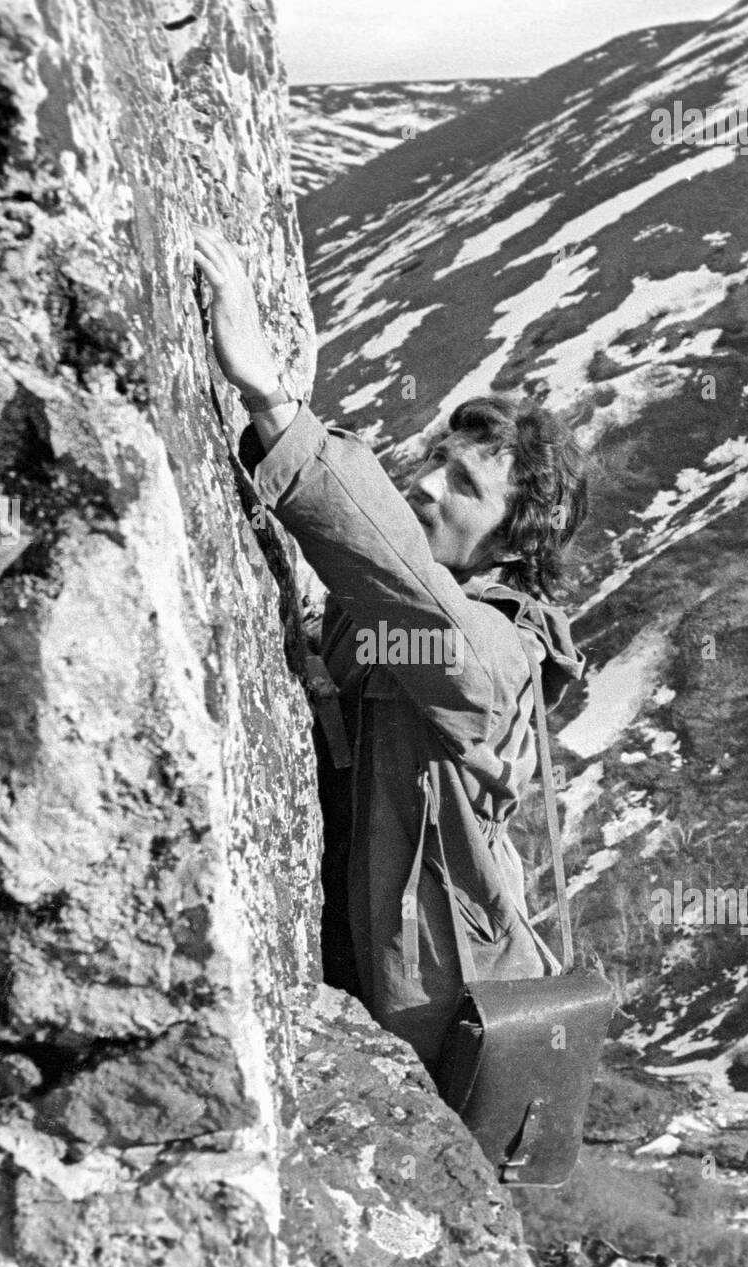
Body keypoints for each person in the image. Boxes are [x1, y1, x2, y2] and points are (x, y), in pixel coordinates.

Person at [192, 225, 588, 1068]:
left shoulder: (494, 657)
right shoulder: (413, 621)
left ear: (512, 542)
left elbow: (401, 590)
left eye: (463, 483)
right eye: (435, 458)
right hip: (388, 981)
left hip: (444, 1009)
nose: (424, 481)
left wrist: (271, 404)